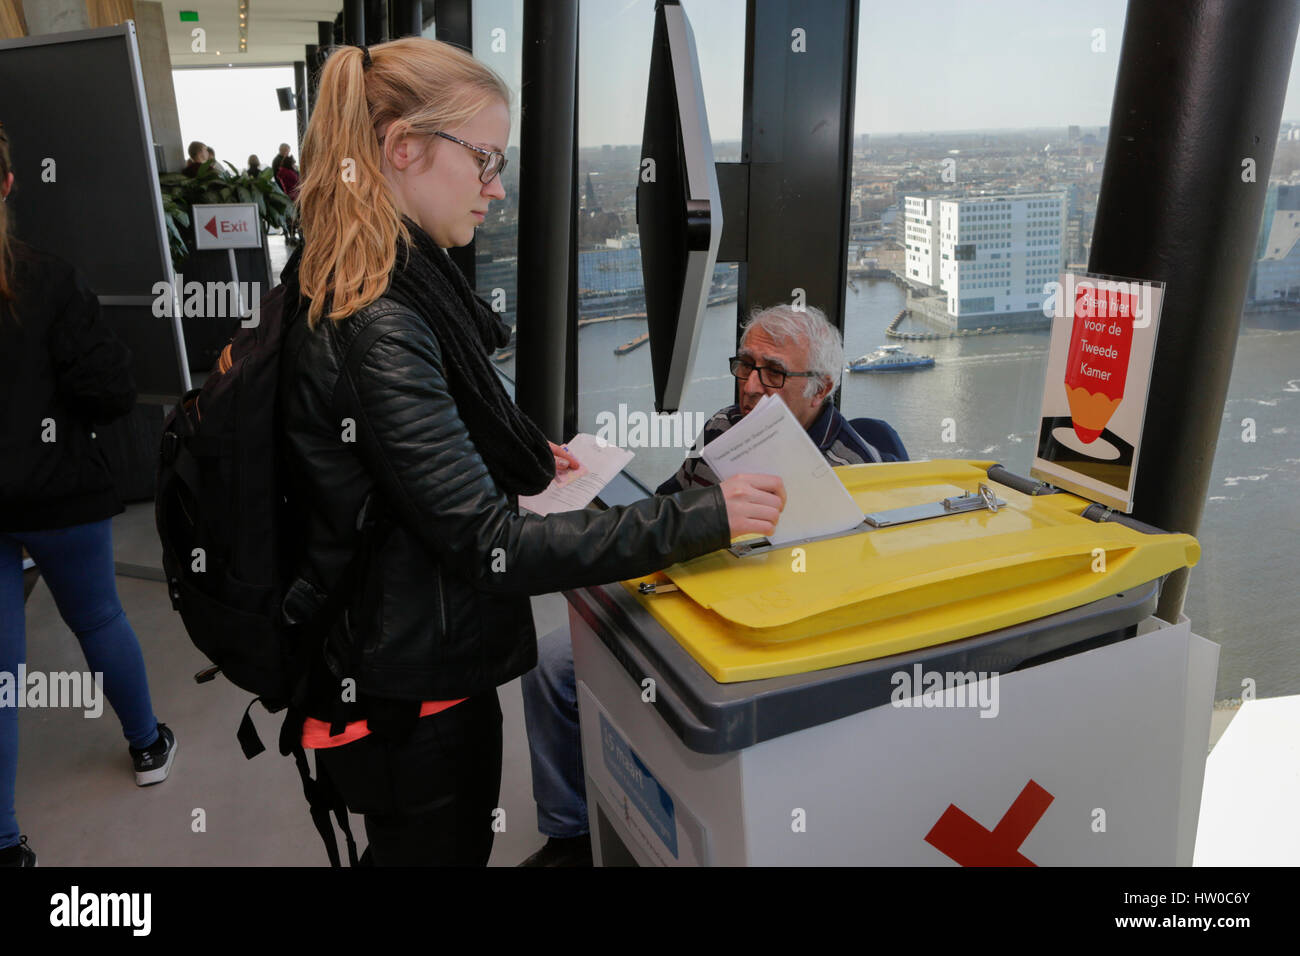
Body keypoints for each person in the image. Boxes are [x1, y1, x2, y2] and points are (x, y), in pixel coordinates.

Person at [277, 38, 785, 867]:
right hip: (411, 693)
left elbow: (391, 474)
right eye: (483, 160)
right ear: (404, 148)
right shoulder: (383, 325)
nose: (496, 187)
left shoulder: (365, 280)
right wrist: (704, 517)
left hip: (387, 656)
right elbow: (493, 550)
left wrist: (482, 452)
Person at [520, 304, 883, 866]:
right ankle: (569, 833)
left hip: (765, 626)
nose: (751, 386)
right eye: (746, 366)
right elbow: (666, 504)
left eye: (774, 373)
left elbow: (856, 587)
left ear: (822, 387)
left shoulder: (857, 466)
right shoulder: (722, 428)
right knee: (549, 665)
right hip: (679, 593)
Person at [0, 121, 177, 869]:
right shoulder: (48, 279)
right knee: (100, 616)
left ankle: (5, 843)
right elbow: (108, 391)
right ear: (8, 183)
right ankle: (146, 746)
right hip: (58, 490)